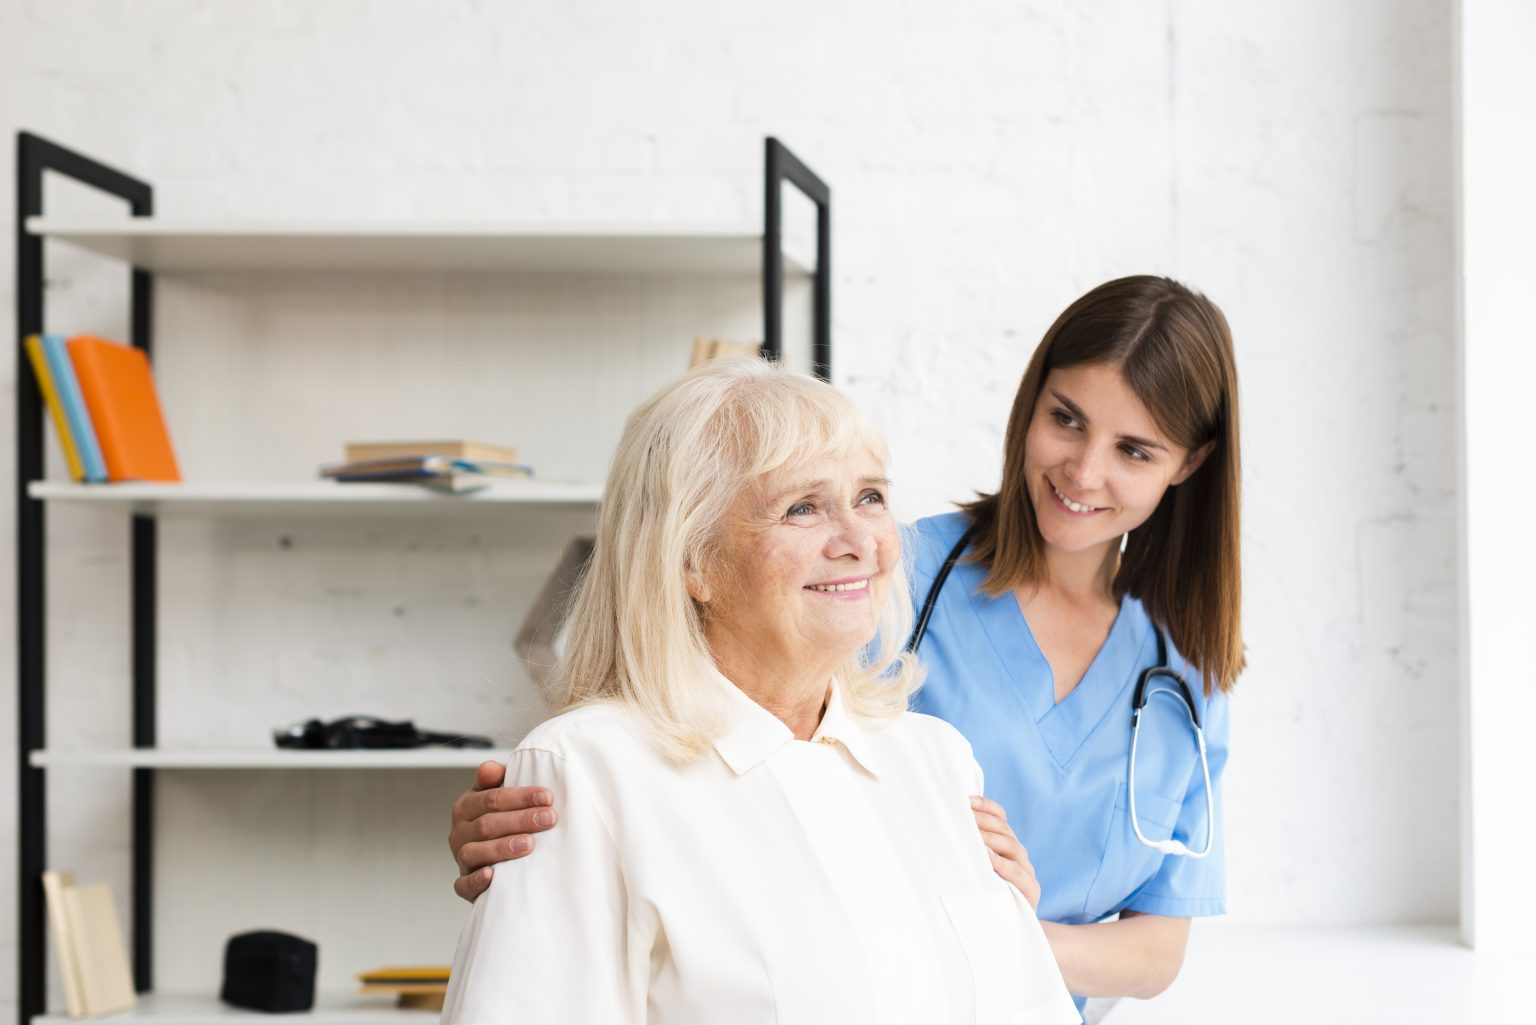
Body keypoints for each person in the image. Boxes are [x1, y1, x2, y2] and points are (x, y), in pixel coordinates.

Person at [448, 276, 1241, 1021]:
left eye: (1134, 450)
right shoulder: (891, 573)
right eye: (1066, 417)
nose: (1085, 468)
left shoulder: (1157, 674)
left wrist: (996, 924)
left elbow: (1156, 942)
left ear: (1189, 463)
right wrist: (567, 807)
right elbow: (673, 690)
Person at [440, 359, 1080, 1025]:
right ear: (693, 560)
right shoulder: (586, 771)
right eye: (802, 507)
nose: (859, 540)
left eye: (870, 497)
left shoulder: (938, 760)